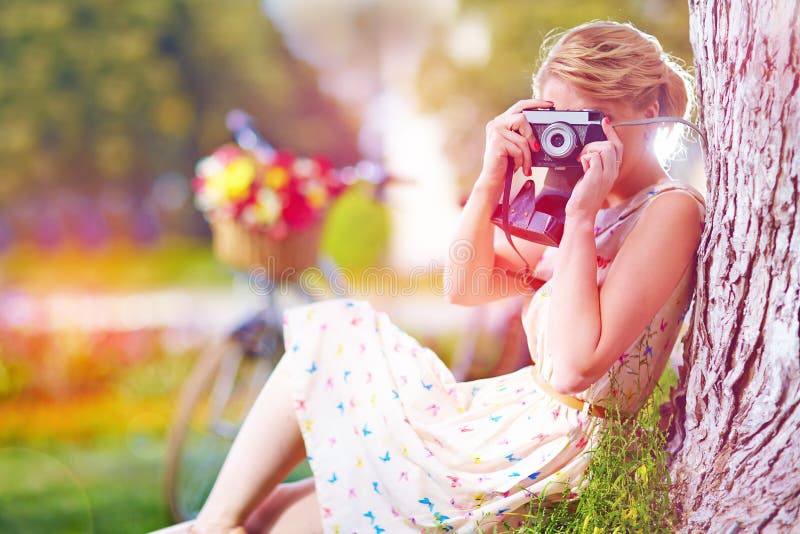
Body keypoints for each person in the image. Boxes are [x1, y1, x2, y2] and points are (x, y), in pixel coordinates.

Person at [155, 19, 705, 534]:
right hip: (503, 427)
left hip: (552, 455)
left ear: (648, 109)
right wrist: (493, 177)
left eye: (590, 122)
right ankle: (212, 524)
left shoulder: (670, 210)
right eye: (554, 123)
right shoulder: (578, 206)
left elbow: (575, 368)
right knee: (268, 504)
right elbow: (464, 287)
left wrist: (580, 218)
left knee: (289, 501)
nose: (569, 143)